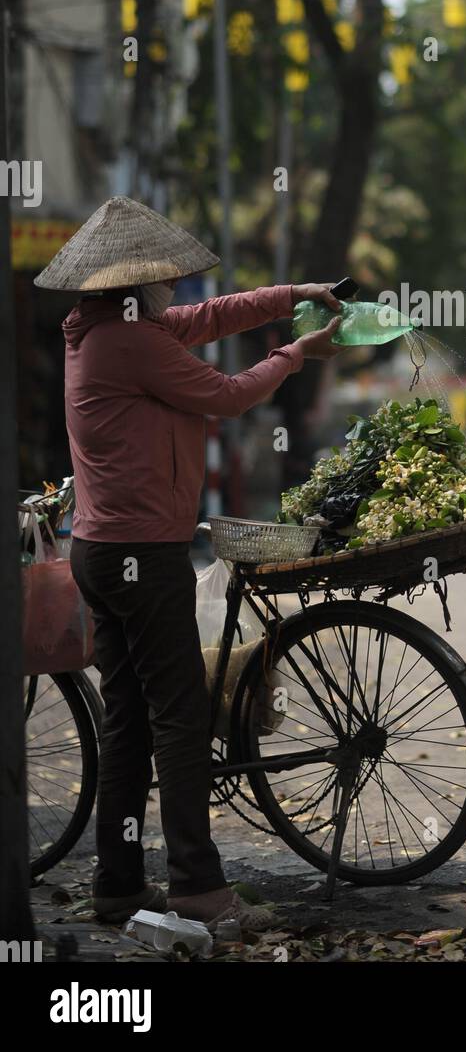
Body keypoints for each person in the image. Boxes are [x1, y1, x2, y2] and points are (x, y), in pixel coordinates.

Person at [34, 196, 342, 932]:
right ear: (134, 286)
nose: (176, 289)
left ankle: (117, 887)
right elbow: (228, 395)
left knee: (130, 722)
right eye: (166, 279)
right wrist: (296, 353)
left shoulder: (108, 330)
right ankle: (199, 889)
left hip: (104, 550)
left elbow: (210, 317)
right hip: (141, 552)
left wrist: (290, 296)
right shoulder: (128, 344)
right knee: (177, 717)